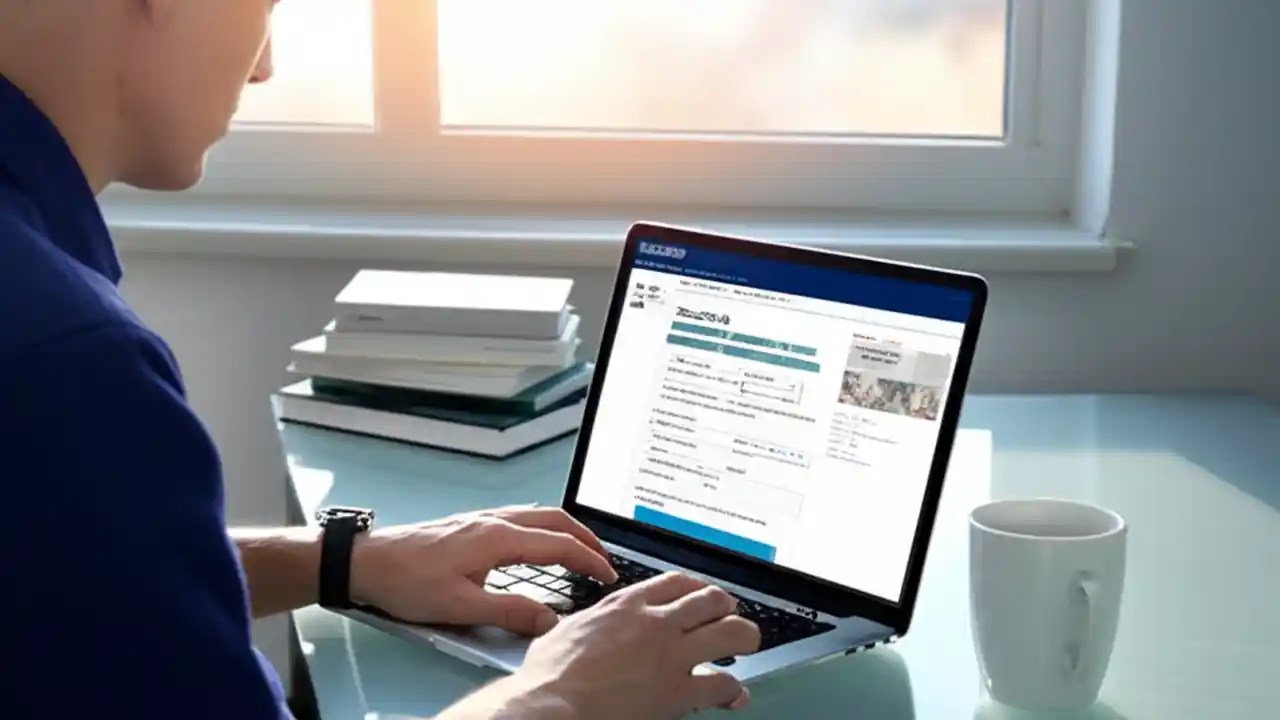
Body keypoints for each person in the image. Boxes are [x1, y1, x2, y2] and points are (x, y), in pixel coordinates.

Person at [0, 2, 759, 718]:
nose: (263, 66)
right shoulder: (70, 362)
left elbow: (57, 574)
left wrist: (342, 560)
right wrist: (563, 692)